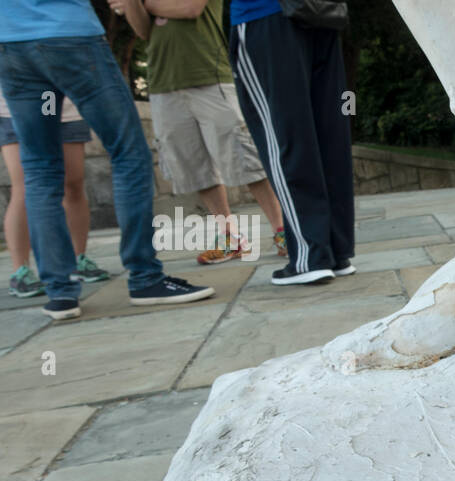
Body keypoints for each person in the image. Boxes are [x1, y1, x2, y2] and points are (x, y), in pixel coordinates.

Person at [0, 0, 213, 320]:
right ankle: (145, 278)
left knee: (41, 168)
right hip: (70, 39)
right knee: (129, 153)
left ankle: (60, 294)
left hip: (12, 48)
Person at [109, 0, 288, 265]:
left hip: (210, 75)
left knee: (244, 157)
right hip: (162, 83)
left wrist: (141, 4)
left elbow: (190, 8)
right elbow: (143, 31)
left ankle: (282, 230)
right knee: (194, 166)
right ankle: (230, 237)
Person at [227, 0, 355, 285]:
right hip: (320, 13)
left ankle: (310, 256)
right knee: (329, 137)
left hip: (266, 16)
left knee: (284, 136)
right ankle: (336, 251)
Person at [2, 90, 111, 297]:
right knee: (24, 187)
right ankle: (21, 271)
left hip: (65, 108)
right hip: (15, 107)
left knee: (73, 183)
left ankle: (77, 260)